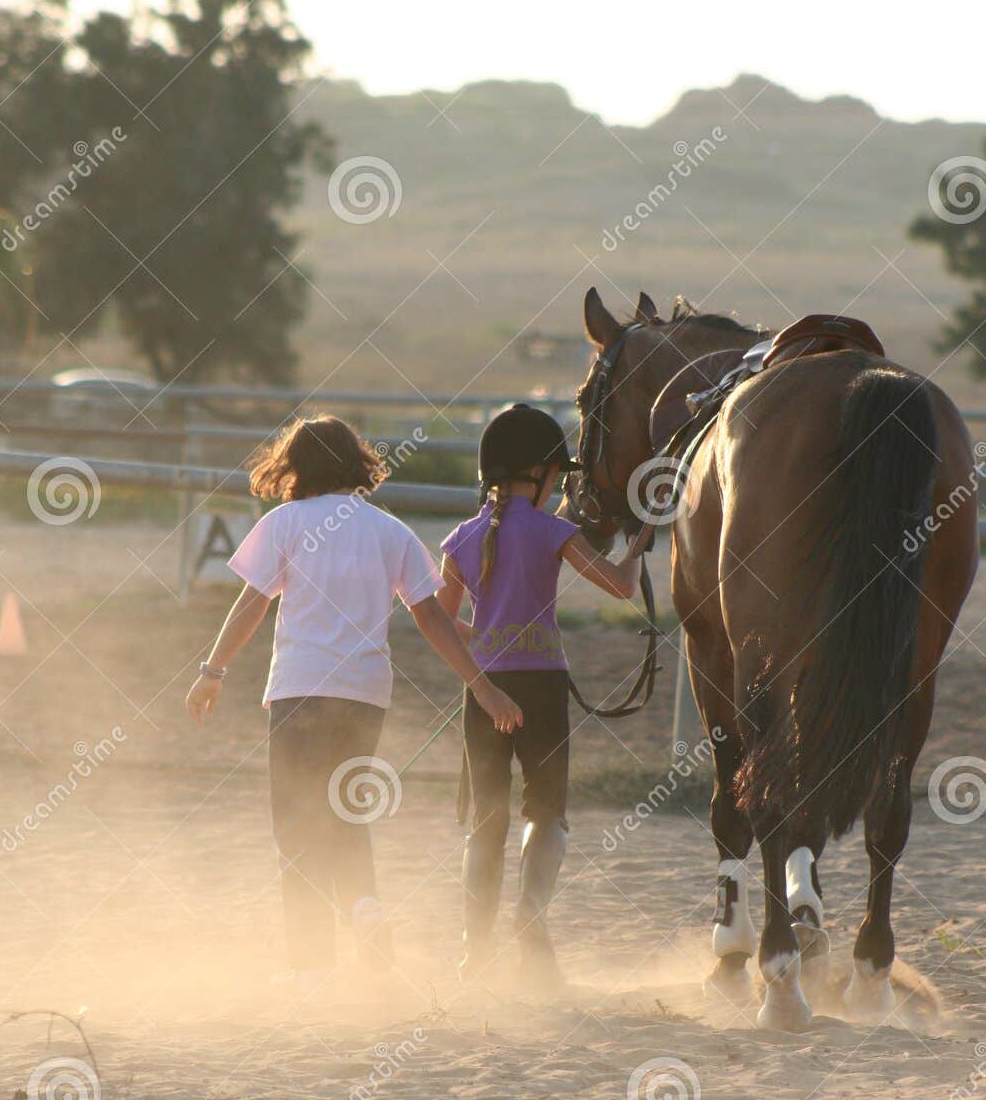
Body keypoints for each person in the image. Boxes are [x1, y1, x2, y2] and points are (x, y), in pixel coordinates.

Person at [185, 415, 521, 990]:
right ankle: (365, 910)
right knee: (346, 813)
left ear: (298, 466)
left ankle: (312, 964)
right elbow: (431, 617)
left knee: (297, 825)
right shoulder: (389, 531)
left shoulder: (286, 523)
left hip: (300, 691)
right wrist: (482, 685)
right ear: (353, 463)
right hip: (365, 696)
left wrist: (213, 671)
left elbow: (250, 606)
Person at [438, 403, 648, 988]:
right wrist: (642, 539)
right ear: (538, 473)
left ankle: (472, 950)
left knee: (486, 816)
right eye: (557, 474)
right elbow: (622, 587)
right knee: (548, 810)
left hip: (484, 691)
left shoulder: (462, 538)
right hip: (544, 686)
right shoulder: (555, 531)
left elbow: (440, 617)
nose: (560, 484)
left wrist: (486, 641)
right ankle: (531, 916)